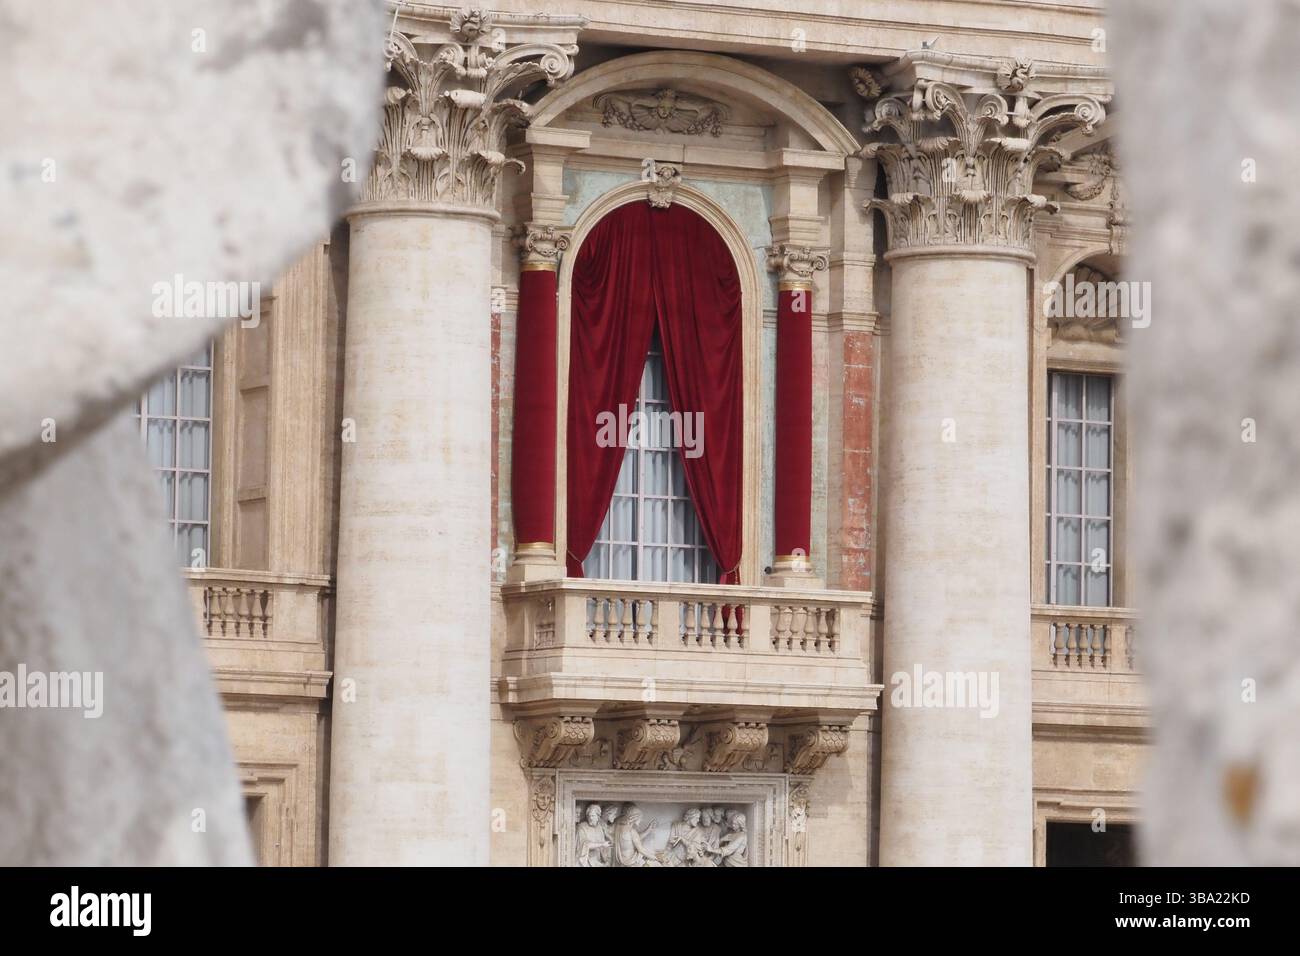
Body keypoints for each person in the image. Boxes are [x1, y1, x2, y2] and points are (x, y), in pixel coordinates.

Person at [575, 803, 611, 867]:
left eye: (593, 816)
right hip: (586, 861)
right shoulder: (582, 827)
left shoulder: (599, 828)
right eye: (589, 816)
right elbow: (585, 845)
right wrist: (602, 844)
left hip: (597, 861)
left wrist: (606, 860)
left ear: (598, 816)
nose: (590, 818)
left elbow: (603, 848)